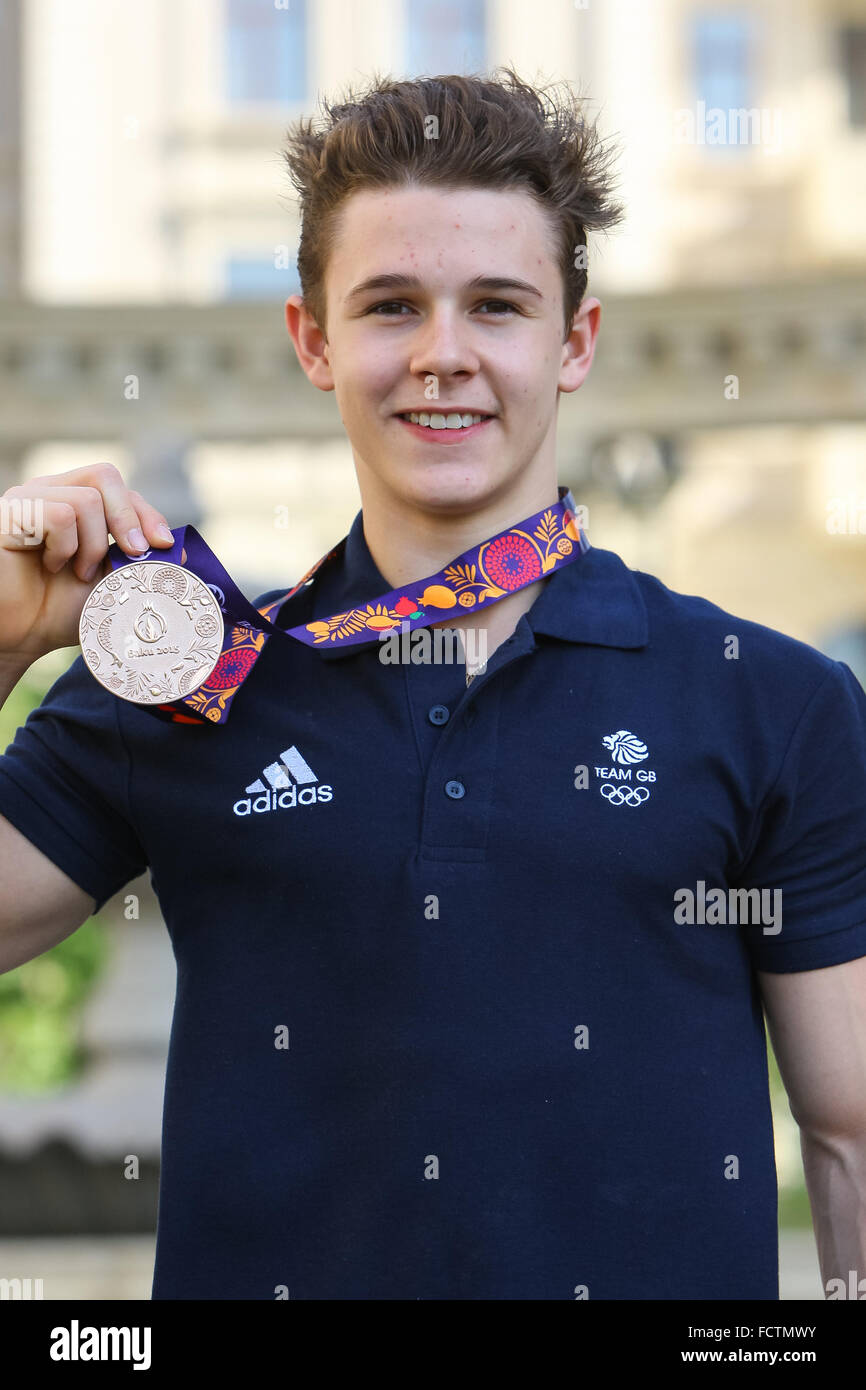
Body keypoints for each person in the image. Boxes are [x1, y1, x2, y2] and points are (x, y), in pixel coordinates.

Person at [1, 68, 865, 1301]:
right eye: (391, 306)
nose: (442, 356)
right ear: (314, 340)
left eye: (497, 306)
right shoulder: (184, 677)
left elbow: (849, 1138)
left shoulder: (771, 701)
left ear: (573, 342)